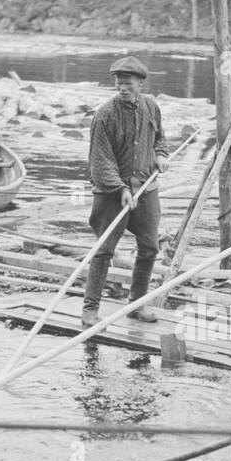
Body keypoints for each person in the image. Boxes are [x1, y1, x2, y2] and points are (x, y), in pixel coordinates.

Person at [82, 55, 169, 327]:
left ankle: (137, 304)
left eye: (128, 84)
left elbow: (160, 139)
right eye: (118, 83)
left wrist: (161, 155)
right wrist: (119, 189)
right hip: (111, 193)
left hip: (146, 188)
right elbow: (100, 159)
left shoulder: (152, 107)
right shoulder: (105, 114)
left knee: (149, 247)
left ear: (141, 83)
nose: (122, 88)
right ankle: (90, 308)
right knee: (104, 249)